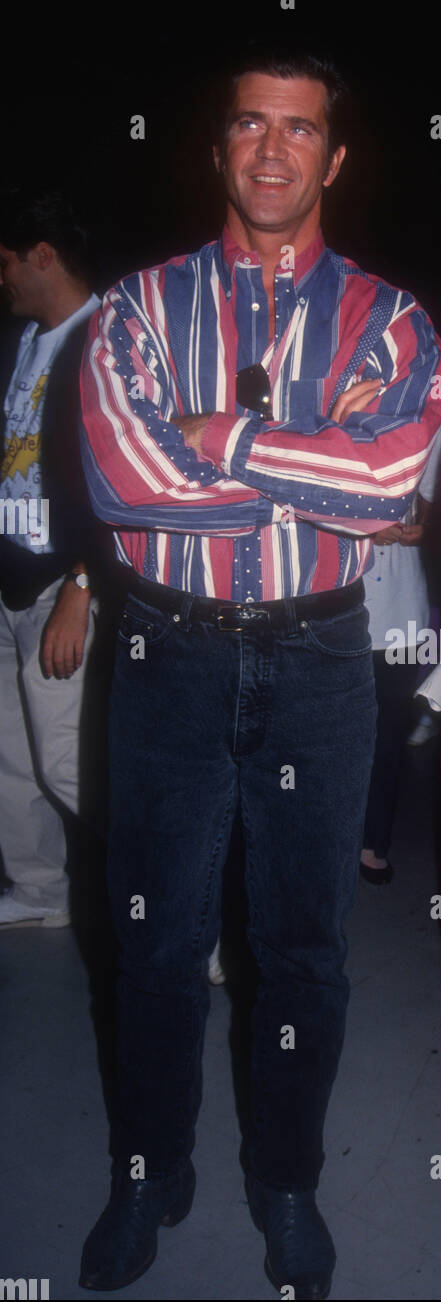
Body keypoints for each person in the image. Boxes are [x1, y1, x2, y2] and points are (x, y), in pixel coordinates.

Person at [77, 46, 441, 1298]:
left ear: (333, 158)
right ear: (219, 145)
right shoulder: (129, 310)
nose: (274, 149)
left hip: (322, 661)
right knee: (155, 942)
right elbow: (125, 485)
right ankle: (147, 1167)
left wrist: (221, 438)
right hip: (165, 652)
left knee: (303, 951)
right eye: (250, 123)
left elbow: (393, 481)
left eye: (299, 129)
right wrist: (308, 468)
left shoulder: (393, 319)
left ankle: (284, 1179)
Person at [0, 189, 103, 931]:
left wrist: (82, 584)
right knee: (12, 761)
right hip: (10, 583)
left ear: (42, 256)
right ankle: (40, 893)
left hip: (64, 586)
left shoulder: (105, 337)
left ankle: (187, 920)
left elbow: (126, 483)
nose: (0, 279)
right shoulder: (25, 339)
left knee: (71, 763)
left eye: (4, 263)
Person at [359, 428, 441, 885]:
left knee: (389, 731)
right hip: (336, 601)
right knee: (329, 736)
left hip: (401, 610)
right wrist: (358, 525)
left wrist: (424, 531)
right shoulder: (331, 416)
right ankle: (329, 839)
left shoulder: (431, 433)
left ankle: (374, 841)